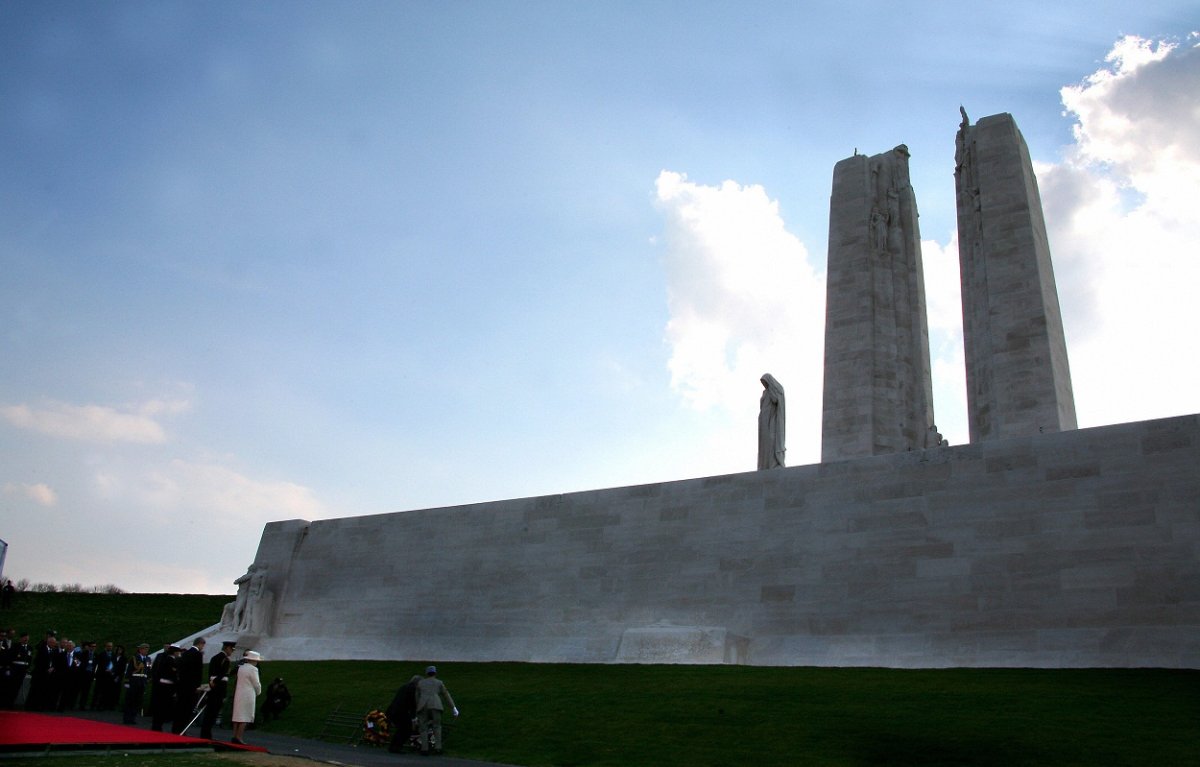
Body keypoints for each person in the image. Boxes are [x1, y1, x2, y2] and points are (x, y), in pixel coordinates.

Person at [415, 665, 458, 755]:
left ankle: (424, 749)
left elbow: (417, 697)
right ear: (435, 673)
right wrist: (453, 707)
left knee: (423, 728)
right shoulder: (439, 682)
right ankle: (438, 748)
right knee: (437, 726)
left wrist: (418, 706)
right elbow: (446, 695)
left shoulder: (420, 683)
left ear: (426, 673)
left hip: (423, 706)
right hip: (436, 705)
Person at [200, 640, 236, 739]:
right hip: (219, 688)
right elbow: (223, 674)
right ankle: (206, 735)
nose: (232, 651)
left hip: (213, 687)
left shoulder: (215, 658)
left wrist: (211, 682)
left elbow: (212, 673)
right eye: (232, 649)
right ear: (227, 648)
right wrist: (216, 681)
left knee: (209, 712)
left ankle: (205, 733)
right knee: (213, 712)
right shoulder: (225, 660)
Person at [173, 637, 206, 733]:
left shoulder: (185, 653)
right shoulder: (197, 654)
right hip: (191, 686)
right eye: (203, 645)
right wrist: (197, 686)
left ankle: (176, 728)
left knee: (180, 708)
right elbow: (198, 672)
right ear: (200, 644)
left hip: (182, 685)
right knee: (187, 709)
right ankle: (182, 729)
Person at [231, 650, 262, 745]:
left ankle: (234, 735)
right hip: (248, 694)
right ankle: (239, 737)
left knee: (237, 716)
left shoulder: (241, 668)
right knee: (245, 716)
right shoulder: (253, 669)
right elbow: (256, 683)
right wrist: (258, 692)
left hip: (239, 693)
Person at [757, 373, 786, 470]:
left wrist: (772, 389)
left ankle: (774, 463)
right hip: (763, 420)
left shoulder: (777, 389)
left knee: (772, 440)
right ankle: (764, 465)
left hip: (773, 419)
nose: (764, 384)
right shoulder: (764, 393)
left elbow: (776, 399)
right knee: (764, 444)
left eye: (765, 382)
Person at [386, 674, 422, 753]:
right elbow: (413, 704)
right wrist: (413, 717)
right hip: (401, 711)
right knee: (407, 729)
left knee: (401, 729)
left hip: (393, 710)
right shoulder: (413, 689)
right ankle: (397, 746)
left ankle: (393, 746)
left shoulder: (404, 687)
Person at [150, 644, 180, 731]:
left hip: (163, 685)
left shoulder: (167, 659)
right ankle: (157, 725)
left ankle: (157, 725)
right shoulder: (170, 660)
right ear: (175, 652)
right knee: (162, 706)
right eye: (178, 652)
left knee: (161, 706)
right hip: (166, 686)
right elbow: (173, 674)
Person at [123, 643, 151, 724]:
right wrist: (127, 681)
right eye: (145, 649)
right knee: (130, 700)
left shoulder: (148, 659)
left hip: (142, 681)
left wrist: (148, 678)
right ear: (140, 650)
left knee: (137, 701)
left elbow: (148, 669)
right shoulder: (135, 658)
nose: (146, 651)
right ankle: (127, 718)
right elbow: (129, 670)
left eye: (147, 649)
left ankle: (133, 718)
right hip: (134, 680)